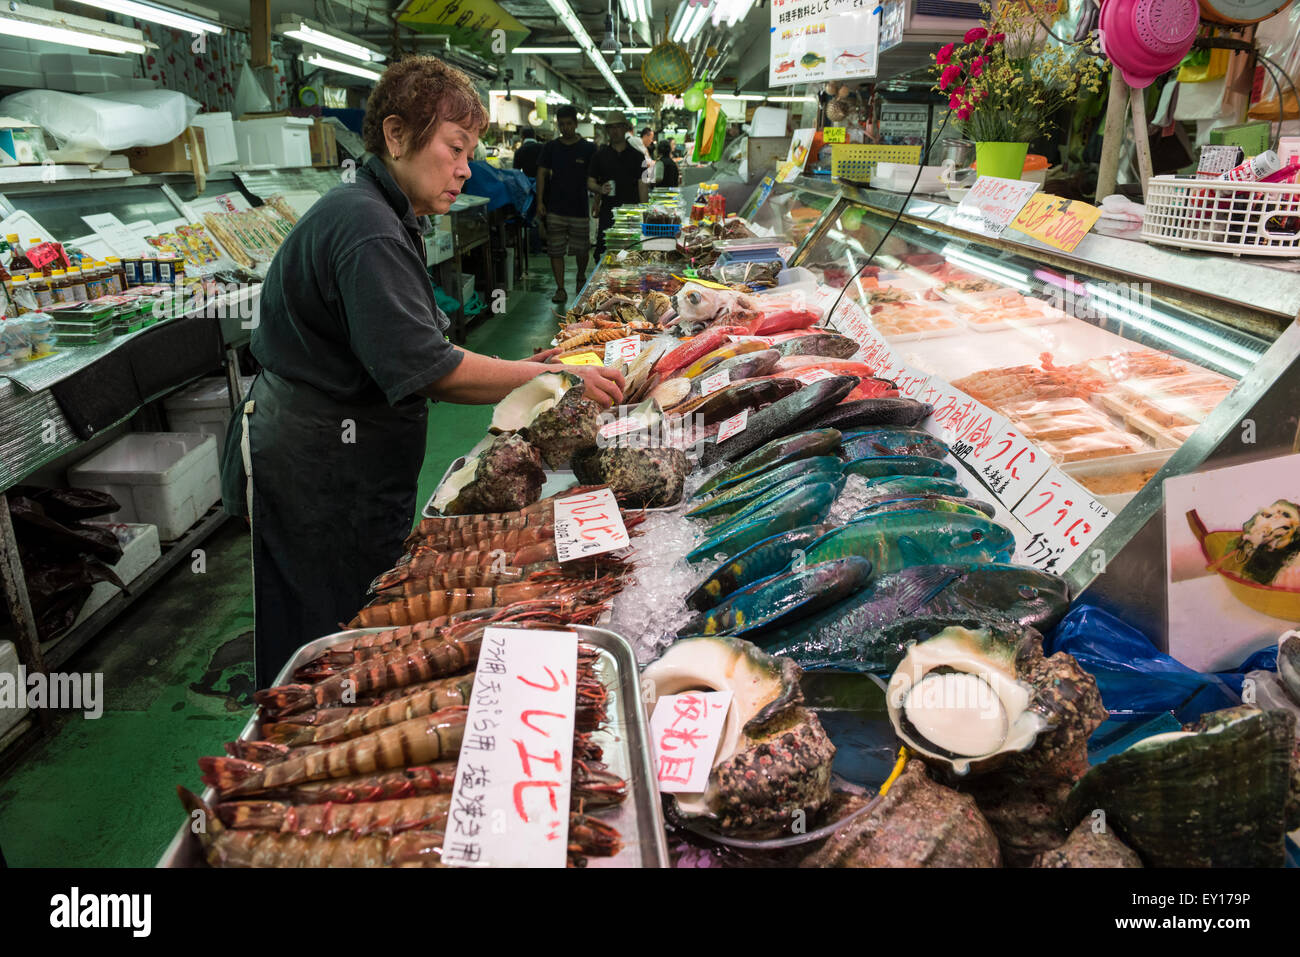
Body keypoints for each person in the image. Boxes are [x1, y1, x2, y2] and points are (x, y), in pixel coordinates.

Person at [219, 57, 624, 687]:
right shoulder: (366, 227)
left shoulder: (382, 212)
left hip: (338, 448)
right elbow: (431, 368)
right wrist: (557, 380)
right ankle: (297, 750)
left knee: (355, 613)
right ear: (396, 135)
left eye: (472, 151)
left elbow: (417, 333)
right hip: (319, 464)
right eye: (455, 147)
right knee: (328, 634)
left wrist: (528, 364)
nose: (467, 168)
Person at [536, 105, 596, 305]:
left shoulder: (588, 148)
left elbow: (595, 177)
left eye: (569, 123)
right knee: (556, 250)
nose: (565, 128)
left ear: (576, 123)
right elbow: (541, 174)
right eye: (561, 124)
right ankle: (560, 288)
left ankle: (580, 277)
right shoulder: (551, 147)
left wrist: (598, 200)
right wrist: (539, 202)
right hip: (555, 208)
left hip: (579, 208)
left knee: (581, 249)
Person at [588, 111, 649, 256]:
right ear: (607, 130)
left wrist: (645, 212)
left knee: (632, 252)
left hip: (632, 214)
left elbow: (643, 184)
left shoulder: (638, 156)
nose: (614, 131)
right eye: (611, 127)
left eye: (618, 127)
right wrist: (599, 189)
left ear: (625, 128)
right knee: (604, 253)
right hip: (608, 213)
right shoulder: (600, 156)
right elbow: (591, 182)